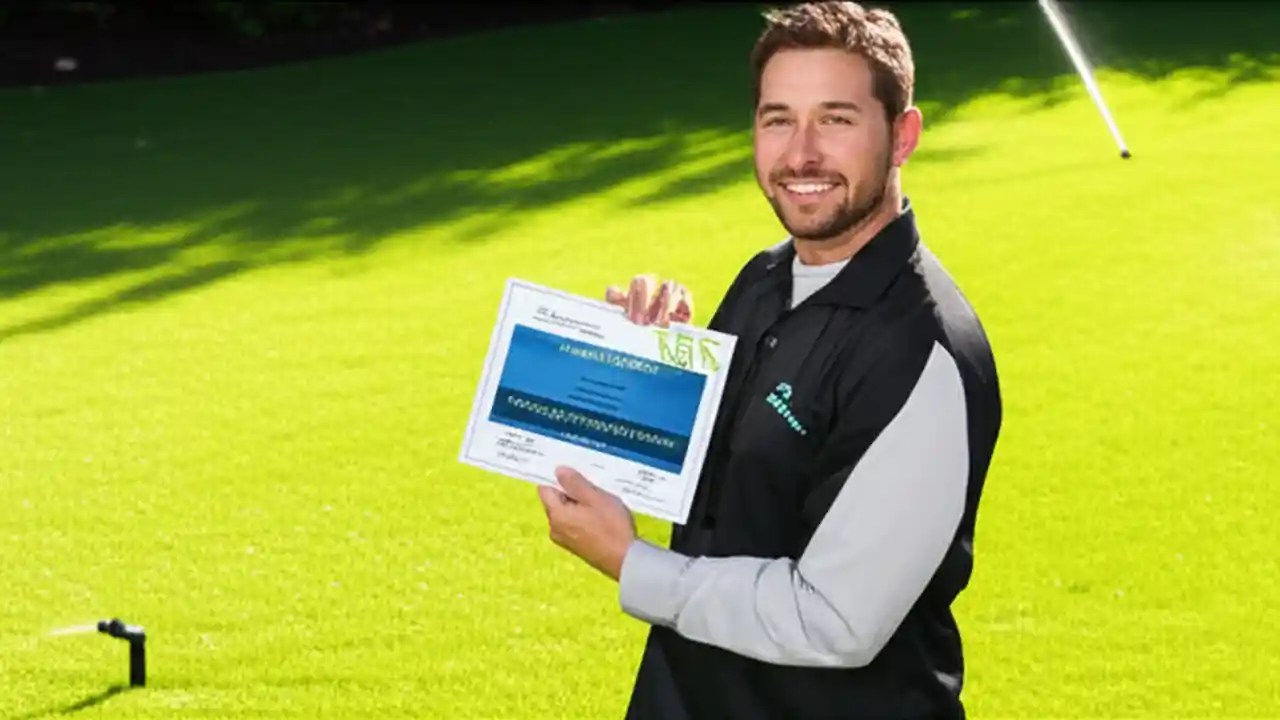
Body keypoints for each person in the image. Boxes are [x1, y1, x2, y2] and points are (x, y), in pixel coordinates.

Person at [535, 1, 1003, 717]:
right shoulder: (764, 280)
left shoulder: (923, 352)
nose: (801, 153)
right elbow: (716, 481)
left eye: (837, 119)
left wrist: (634, 567)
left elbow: (836, 621)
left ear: (902, 136)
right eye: (777, 118)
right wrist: (638, 362)